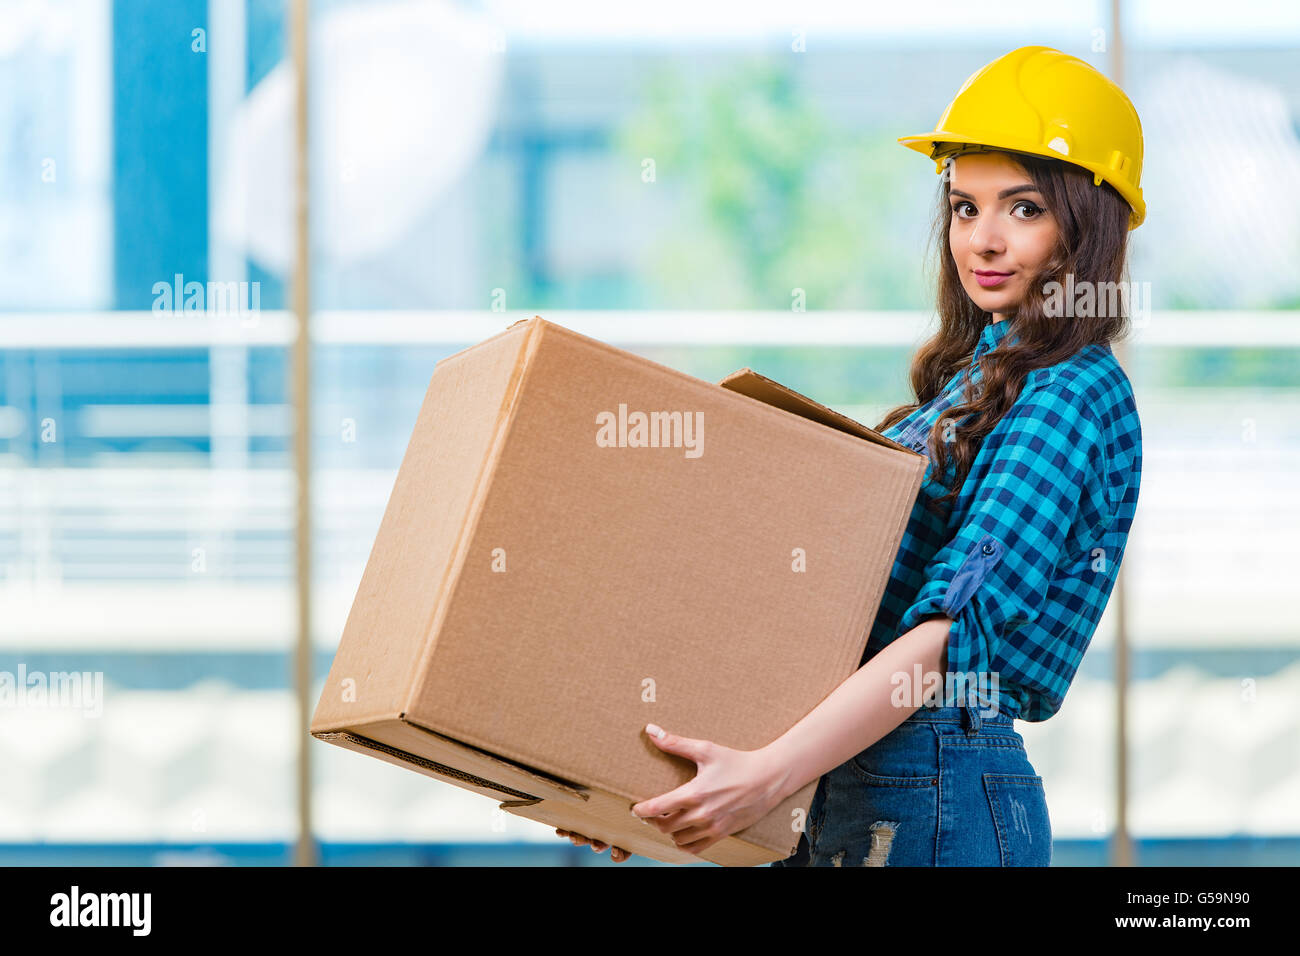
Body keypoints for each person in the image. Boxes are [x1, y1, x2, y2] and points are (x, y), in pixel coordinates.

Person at [557, 44, 1144, 866]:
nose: (983, 238)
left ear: (1089, 223)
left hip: (932, 779)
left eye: (1022, 208)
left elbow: (949, 631)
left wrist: (764, 777)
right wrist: (645, 784)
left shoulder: (1071, 392)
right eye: (964, 208)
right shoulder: (972, 384)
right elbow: (825, 621)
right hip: (847, 774)